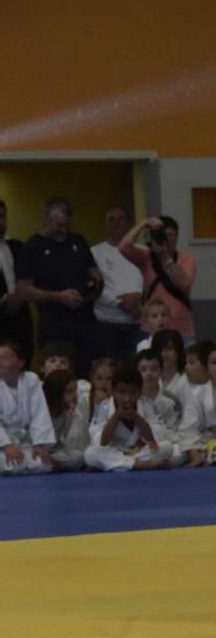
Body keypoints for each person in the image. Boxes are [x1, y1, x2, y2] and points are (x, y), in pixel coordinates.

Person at [15, 198, 102, 373]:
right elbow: (24, 290)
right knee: (58, 374)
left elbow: (95, 275)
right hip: (54, 323)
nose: (63, 230)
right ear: (47, 220)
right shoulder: (32, 247)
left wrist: (88, 293)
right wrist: (58, 297)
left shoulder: (78, 241)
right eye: (59, 225)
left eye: (67, 225)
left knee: (87, 371)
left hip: (85, 321)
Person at [118, 215, 197, 342]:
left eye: (171, 235)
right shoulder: (146, 257)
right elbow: (123, 247)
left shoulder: (187, 260)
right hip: (152, 328)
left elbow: (183, 284)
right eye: (163, 235)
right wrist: (143, 224)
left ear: (177, 237)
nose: (167, 239)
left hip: (181, 327)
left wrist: (165, 255)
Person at [84, 367, 177, 472]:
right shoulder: (104, 408)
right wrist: (115, 418)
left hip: (140, 451)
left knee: (167, 447)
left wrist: (138, 418)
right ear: (113, 391)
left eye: (132, 392)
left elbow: (153, 441)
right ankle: (140, 464)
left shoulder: (146, 406)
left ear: (140, 392)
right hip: (114, 450)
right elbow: (102, 442)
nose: (127, 398)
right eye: (122, 392)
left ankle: (116, 464)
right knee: (90, 453)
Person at [91, 206, 143, 363]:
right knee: (109, 368)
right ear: (106, 224)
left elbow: (150, 282)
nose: (116, 223)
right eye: (111, 219)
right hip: (106, 323)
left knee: (136, 368)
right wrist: (121, 303)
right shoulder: (95, 252)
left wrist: (139, 300)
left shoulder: (143, 252)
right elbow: (94, 287)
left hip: (137, 322)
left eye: (121, 219)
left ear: (129, 223)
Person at [0, 339, 55, 476]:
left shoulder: (31, 380)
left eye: (6, 357)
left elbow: (40, 414)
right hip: (3, 445)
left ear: (21, 362)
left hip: (25, 444)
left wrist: (39, 444)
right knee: (6, 462)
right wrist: (6, 445)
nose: (0, 361)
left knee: (43, 463)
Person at [0, 201, 33, 363]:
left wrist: (21, 296)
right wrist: (5, 299)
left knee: (22, 361)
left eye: (2, 216)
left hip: (19, 318)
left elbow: (31, 276)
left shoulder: (18, 247)